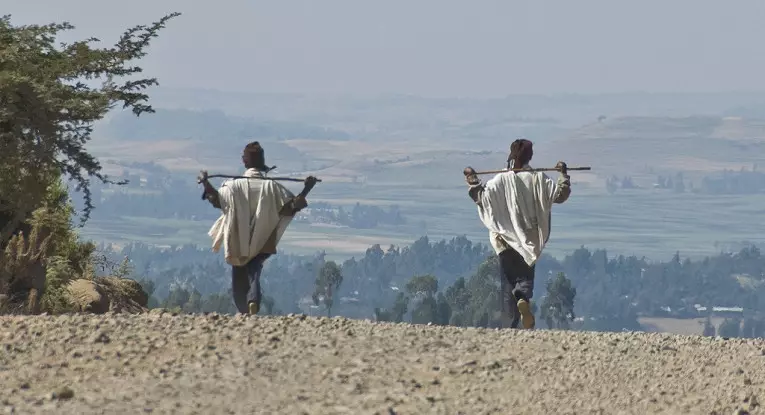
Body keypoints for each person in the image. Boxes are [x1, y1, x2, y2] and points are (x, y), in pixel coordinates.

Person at [198, 141, 318, 315]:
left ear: (245, 162)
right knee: (254, 268)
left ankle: (246, 309)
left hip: (239, 241)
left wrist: (206, 183)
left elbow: (217, 200)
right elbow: (292, 206)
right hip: (263, 242)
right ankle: (253, 300)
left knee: (239, 275)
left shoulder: (232, 186)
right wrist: (307, 188)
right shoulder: (273, 187)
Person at [463, 138, 571, 329]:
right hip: (528, 241)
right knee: (525, 279)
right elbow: (561, 195)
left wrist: (472, 179)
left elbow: (480, 197)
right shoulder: (539, 179)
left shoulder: (500, 180)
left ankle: (509, 324)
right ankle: (522, 297)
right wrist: (563, 174)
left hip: (504, 241)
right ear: (530, 156)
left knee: (507, 284)